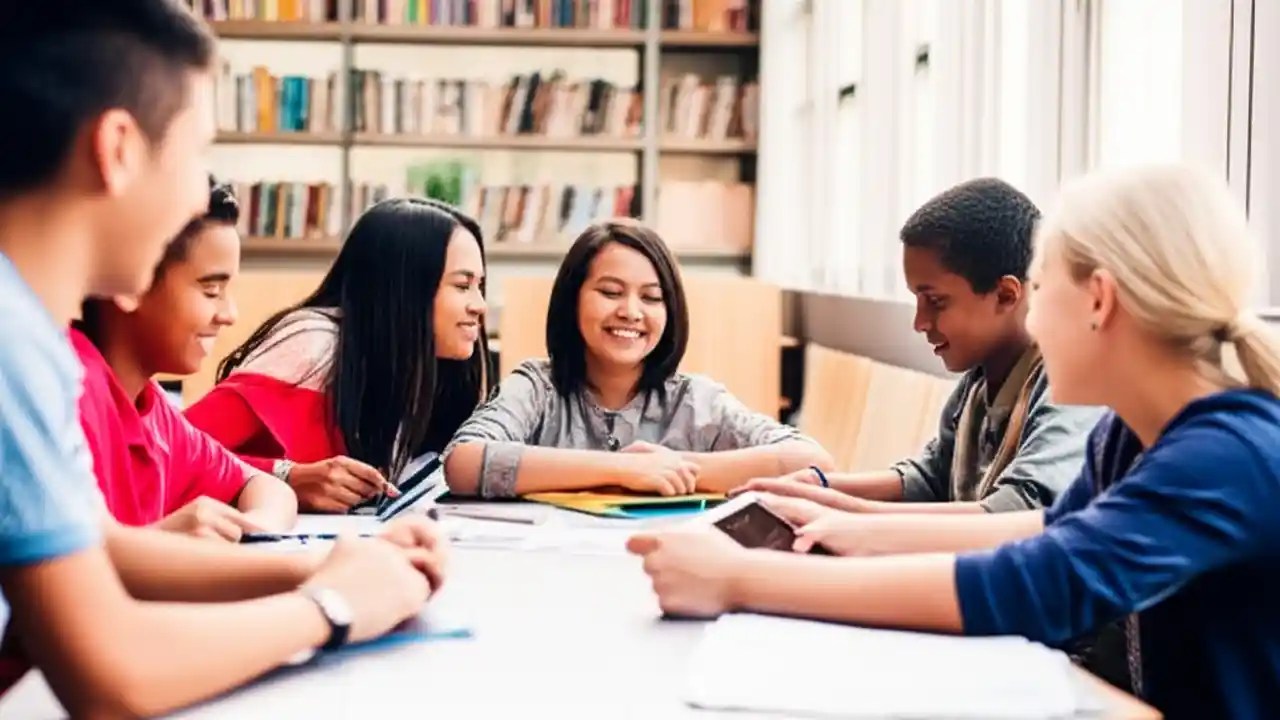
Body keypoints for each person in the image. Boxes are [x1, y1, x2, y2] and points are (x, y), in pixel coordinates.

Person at [629, 165, 1280, 719]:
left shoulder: (1226, 456)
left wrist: (741, 579)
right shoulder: (1125, 436)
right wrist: (850, 527)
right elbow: (1051, 527)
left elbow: (1044, 580)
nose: (1033, 317)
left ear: (1099, 301)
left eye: (1043, 288)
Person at [0, 4, 446, 715]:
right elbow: (113, 676)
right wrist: (332, 606)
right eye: (197, 154)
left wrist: (328, 564)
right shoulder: (15, 345)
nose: (198, 191)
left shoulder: (34, 337)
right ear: (118, 149)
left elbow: (101, 545)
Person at [739, 178, 1102, 514]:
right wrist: (818, 488)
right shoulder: (981, 378)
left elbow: (1021, 508)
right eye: (917, 300)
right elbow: (931, 478)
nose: (920, 322)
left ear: (1006, 295)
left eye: (936, 301)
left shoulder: (1070, 383)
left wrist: (853, 518)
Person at [444, 220, 832, 498]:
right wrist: (624, 469)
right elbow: (462, 463)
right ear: (572, 299)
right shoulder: (537, 388)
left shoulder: (696, 401)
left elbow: (814, 462)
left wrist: (675, 468)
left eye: (651, 297)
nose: (631, 312)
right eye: (611, 292)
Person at [186, 197, 492, 513]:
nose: (479, 305)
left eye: (479, 286)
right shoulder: (314, 344)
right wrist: (286, 477)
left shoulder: (425, 369)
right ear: (404, 286)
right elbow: (174, 454)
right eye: (462, 285)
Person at [74, 178, 297, 540]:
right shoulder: (72, 388)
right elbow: (77, 562)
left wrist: (251, 531)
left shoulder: (153, 409)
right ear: (134, 280)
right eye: (211, 290)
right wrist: (165, 542)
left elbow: (263, 487)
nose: (229, 314)